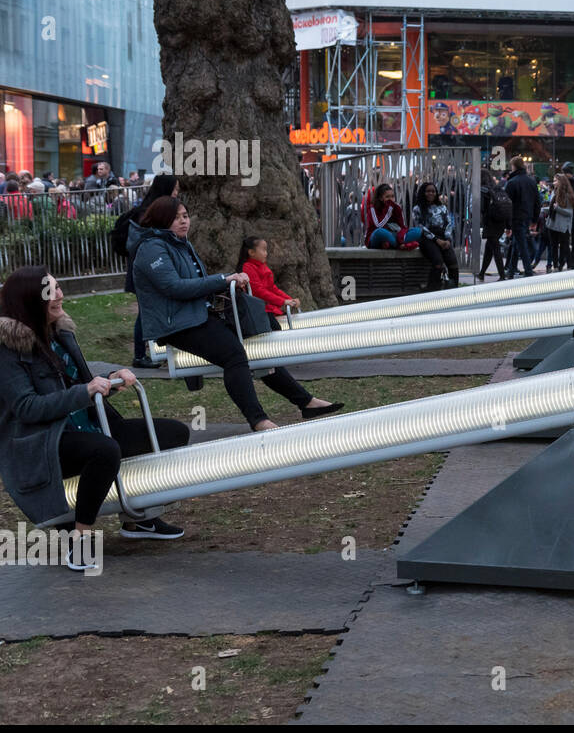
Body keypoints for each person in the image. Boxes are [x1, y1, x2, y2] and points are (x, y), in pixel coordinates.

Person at [0, 267, 191, 566]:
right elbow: (27, 407)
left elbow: (80, 384)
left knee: (174, 433)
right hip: (44, 442)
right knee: (104, 450)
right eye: (50, 292)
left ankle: (137, 519)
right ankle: (79, 538)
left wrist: (110, 380)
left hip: (84, 424)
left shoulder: (59, 333)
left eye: (59, 287)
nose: (60, 295)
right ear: (29, 301)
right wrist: (85, 392)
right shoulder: (8, 349)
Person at [130, 197, 342, 432]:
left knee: (256, 344)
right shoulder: (152, 248)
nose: (183, 221)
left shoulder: (179, 243)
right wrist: (223, 279)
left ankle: (306, 402)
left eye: (185, 216)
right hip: (177, 324)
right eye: (176, 217)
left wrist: (225, 282)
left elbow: (194, 283)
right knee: (234, 354)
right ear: (161, 219)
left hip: (195, 315)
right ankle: (259, 420)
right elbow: (174, 287)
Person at [111, 172, 179, 369]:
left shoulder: (148, 209)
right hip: (148, 271)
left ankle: (156, 352)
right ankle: (141, 355)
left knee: (155, 311)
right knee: (147, 313)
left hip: (150, 269)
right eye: (174, 189)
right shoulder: (152, 213)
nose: (176, 193)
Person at [235, 236, 301, 323]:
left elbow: (272, 288)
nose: (266, 253)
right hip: (260, 311)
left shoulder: (262, 266)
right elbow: (259, 291)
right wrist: (283, 301)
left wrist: (289, 299)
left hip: (269, 309)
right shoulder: (247, 267)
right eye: (263, 250)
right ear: (251, 252)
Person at [411, 182, 459, 291]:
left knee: (453, 263)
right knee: (438, 263)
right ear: (423, 193)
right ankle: (432, 290)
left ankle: (454, 290)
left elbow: (448, 223)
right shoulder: (417, 209)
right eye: (428, 191)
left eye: (433, 191)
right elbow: (420, 226)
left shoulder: (442, 207)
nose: (431, 193)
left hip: (443, 237)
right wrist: (436, 240)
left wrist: (447, 239)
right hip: (427, 238)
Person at [504, 157, 541, 278]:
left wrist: (507, 225)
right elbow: (537, 202)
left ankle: (528, 271)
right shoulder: (531, 182)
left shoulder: (512, 182)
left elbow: (507, 205)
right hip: (527, 216)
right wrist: (535, 220)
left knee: (521, 244)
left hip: (516, 217)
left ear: (514, 166)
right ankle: (511, 270)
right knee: (517, 242)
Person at [363, 183, 422, 250]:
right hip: (377, 237)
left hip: (394, 235)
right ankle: (400, 246)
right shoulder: (372, 209)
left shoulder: (397, 207)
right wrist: (388, 210)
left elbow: (402, 227)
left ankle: (394, 244)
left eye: (392, 196)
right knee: (380, 232)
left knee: (417, 231)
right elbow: (378, 225)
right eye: (387, 197)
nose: (391, 199)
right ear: (380, 198)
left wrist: (401, 235)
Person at [477, 173, 511, 281]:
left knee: (495, 249)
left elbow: (482, 208)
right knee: (489, 248)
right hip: (500, 222)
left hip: (491, 222)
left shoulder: (484, 190)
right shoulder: (498, 188)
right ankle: (482, 273)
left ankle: (502, 275)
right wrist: (508, 225)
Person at [543, 173, 574, 272]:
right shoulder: (554, 193)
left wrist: (557, 208)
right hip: (553, 224)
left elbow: (569, 213)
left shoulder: (567, 196)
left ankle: (562, 265)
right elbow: (552, 207)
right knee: (553, 246)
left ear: (561, 182)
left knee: (563, 247)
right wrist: (543, 210)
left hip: (563, 226)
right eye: (553, 180)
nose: (553, 182)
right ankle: (555, 266)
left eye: (555, 180)